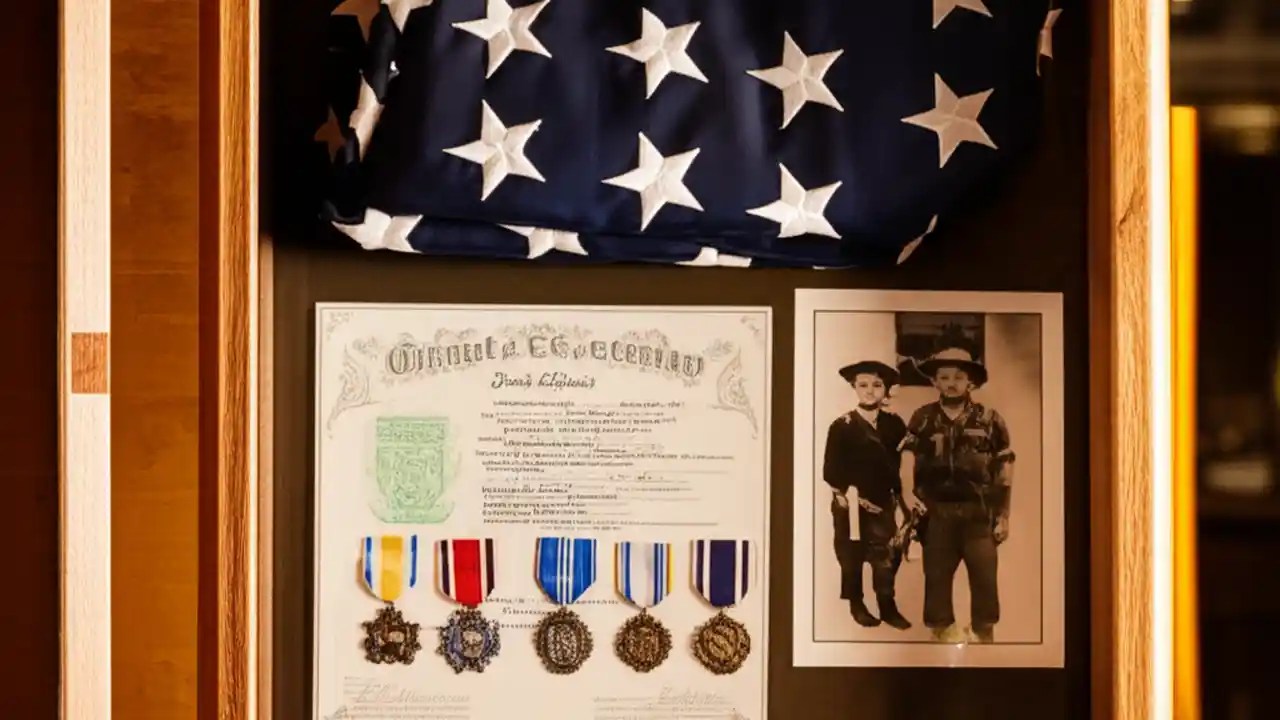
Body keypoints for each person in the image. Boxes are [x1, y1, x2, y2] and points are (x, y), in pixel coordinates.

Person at [901, 345, 1015, 644]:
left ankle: (983, 635)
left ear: (971, 382)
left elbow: (1005, 468)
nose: (951, 383)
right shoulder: (922, 417)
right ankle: (941, 635)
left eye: (959, 377)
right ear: (934, 382)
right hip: (935, 513)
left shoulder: (990, 419)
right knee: (936, 578)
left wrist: (1003, 515)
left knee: (985, 580)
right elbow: (907, 455)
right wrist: (905, 492)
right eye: (944, 376)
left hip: (979, 513)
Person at [821, 359, 912, 630]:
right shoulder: (842, 425)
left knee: (886, 557)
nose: (870, 391)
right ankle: (857, 605)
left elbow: (903, 464)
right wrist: (849, 498)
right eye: (863, 385)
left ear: (886, 389)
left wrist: (901, 500)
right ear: (854, 387)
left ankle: (887, 606)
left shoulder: (895, 424)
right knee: (851, 556)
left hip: (884, 503)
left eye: (877, 385)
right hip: (850, 502)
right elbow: (831, 471)